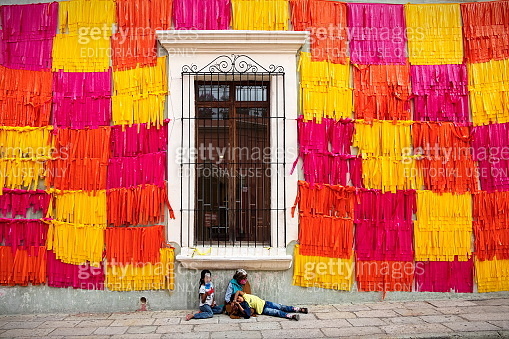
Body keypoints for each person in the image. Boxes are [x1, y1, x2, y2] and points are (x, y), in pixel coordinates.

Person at [233, 290, 308, 320]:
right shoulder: (245, 304)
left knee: (281, 306)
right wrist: (238, 304)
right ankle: (290, 316)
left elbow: (238, 291)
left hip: (266, 303)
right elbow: (244, 312)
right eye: (238, 300)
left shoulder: (245, 295)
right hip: (263, 310)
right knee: (276, 312)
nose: (239, 299)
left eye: (238, 298)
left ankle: (298, 309)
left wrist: (234, 299)